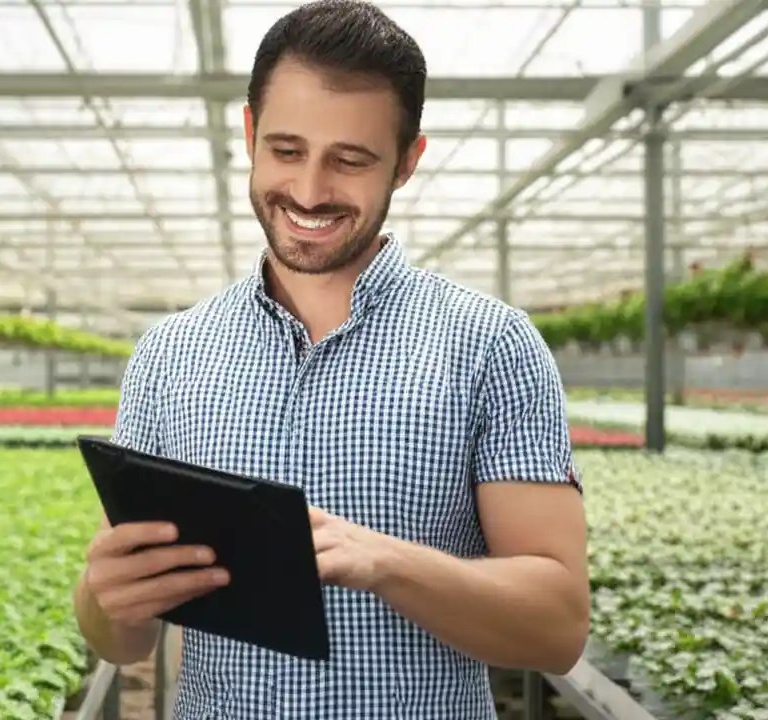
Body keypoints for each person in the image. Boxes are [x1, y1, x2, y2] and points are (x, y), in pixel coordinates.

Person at [72, 1, 590, 717]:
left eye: (350, 160)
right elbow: (122, 642)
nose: (310, 191)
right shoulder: (171, 354)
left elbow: (558, 626)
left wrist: (385, 563)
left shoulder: (490, 347)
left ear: (408, 162)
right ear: (249, 133)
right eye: (286, 150)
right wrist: (106, 600)